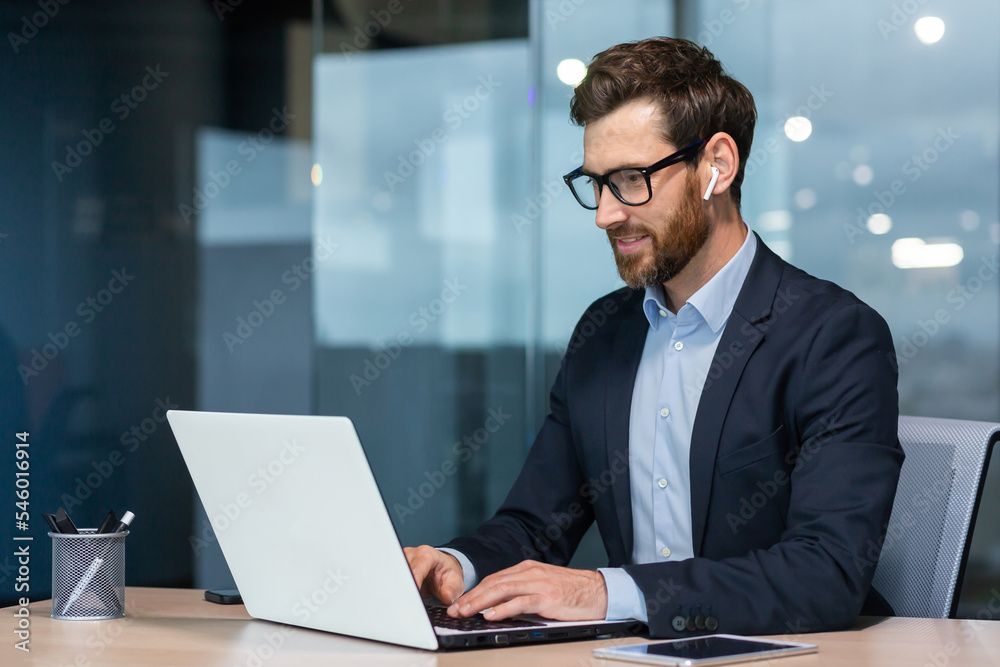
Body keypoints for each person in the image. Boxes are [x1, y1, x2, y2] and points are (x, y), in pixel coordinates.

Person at [405, 36, 904, 638]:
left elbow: (825, 573)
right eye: (595, 183)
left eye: (630, 179)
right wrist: (455, 566)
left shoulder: (833, 336)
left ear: (715, 166)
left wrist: (606, 590)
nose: (605, 214)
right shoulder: (603, 333)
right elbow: (535, 525)